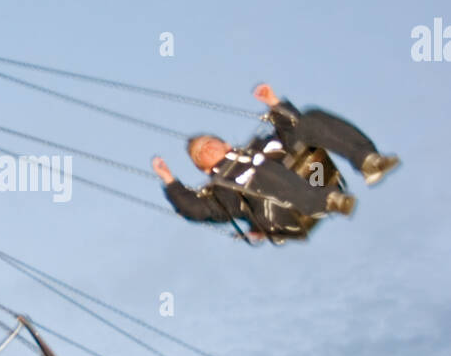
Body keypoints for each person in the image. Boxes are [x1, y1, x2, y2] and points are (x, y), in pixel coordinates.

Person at [152, 83, 399, 240]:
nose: (206, 148)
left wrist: (274, 103)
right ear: (204, 168)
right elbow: (194, 210)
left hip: (316, 178)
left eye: (209, 142)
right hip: (283, 213)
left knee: (308, 120)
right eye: (200, 153)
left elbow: (291, 131)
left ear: (226, 144)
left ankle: (367, 160)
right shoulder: (222, 190)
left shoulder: (261, 148)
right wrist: (170, 181)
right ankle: (324, 202)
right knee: (258, 172)